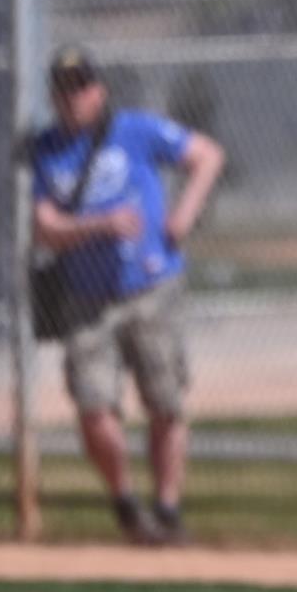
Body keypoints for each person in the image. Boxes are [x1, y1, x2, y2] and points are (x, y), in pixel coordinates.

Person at [30, 46, 226, 546]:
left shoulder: (135, 130)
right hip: (87, 298)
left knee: (165, 404)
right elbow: (45, 227)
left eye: (81, 88)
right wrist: (100, 225)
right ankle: (125, 501)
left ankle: (167, 507)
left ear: (100, 91)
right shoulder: (47, 150)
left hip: (151, 288)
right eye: (63, 91)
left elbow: (207, 156)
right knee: (94, 406)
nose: (72, 99)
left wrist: (183, 217)